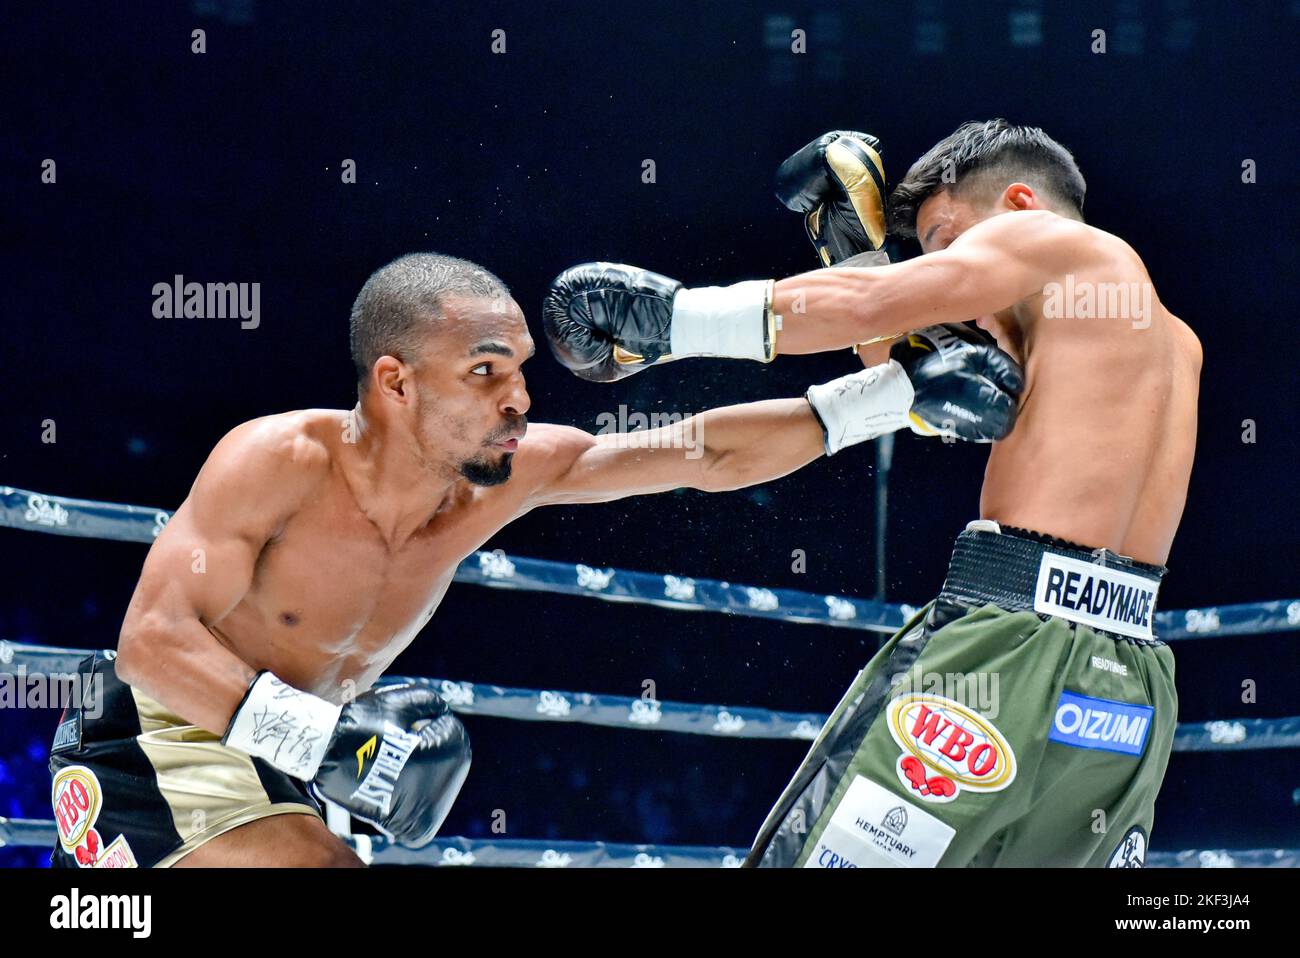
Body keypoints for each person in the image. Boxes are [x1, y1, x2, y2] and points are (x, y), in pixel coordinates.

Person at [49, 251, 1020, 868]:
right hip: (153, 736)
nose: (517, 398)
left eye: (517, 369)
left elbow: (700, 454)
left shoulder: (504, 477)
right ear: (394, 382)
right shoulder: (279, 460)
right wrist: (330, 745)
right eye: (484, 372)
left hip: (284, 764)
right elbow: (151, 642)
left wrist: (890, 399)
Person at [543, 120, 1200, 867]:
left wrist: (673, 320)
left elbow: (868, 305)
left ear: (1021, 204)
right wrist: (858, 254)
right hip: (1129, 691)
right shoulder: (1163, 340)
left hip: (1009, 648)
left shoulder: (1062, 246)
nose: (956, 289)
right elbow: (909, 370)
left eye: (949, 245)